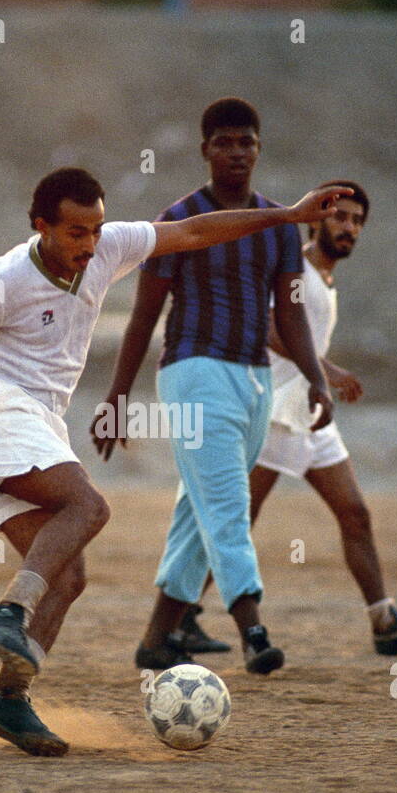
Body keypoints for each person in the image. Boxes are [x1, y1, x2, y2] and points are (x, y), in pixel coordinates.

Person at [0, 167, 350, 756]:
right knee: (88, 506)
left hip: (36, 423)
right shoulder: (1, 279)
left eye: (96, 230)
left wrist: (285, 216)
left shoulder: (110, 246)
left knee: (70, 576)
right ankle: (8, 610)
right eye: (76, 232)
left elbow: (197, 232)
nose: (89, 244)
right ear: (41, 226)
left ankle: (7, 699)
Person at [93, 98, 332, 675]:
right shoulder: (180, 220)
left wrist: (316, 378)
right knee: (228, 503)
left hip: (255, 379)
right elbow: (143, 316)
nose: (236, 152)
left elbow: (292, 316)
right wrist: (117, 396)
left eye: (246, 142)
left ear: (258, 148)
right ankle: (253, 628)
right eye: (224, 142)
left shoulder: (279, 227)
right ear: (205, 151)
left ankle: (156, 639)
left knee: (198, 509)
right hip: (193, 372)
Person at [192, 180, 397, 656]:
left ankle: (385, 623)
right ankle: (181, 614)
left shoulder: (327, 279)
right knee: (239, 519)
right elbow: (265, 327)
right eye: (339, 216)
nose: (348, 227)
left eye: (356, 221)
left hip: (310, 411)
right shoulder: (296, 269)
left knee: (355, 513)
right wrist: (326, 371)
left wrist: (319, 378)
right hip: (277, 410)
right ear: (317, 220)